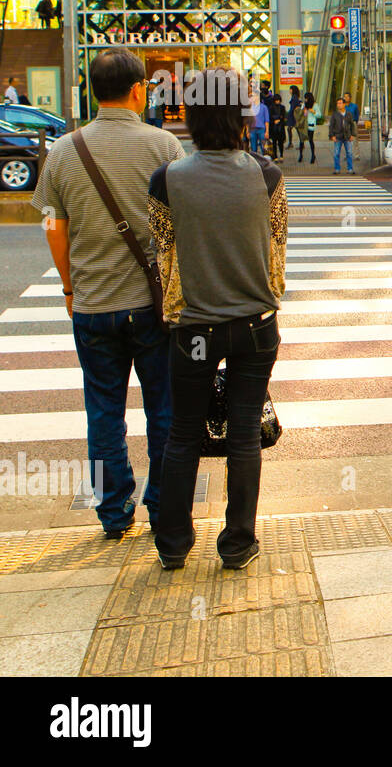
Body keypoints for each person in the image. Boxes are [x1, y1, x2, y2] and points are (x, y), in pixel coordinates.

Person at [31, 47, 185, 538]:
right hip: (153, 307)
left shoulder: (62, 150)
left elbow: (54, 227)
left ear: (92, 91)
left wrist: (70, 288)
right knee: (163, 411)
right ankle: (163, 509)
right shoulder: (164, 147)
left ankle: (114, 514)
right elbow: (181, 224)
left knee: (102, 413)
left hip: (94, 306)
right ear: (139, 89)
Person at [148, 68, 286, 570]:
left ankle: (173, 545)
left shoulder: (167, 179)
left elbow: (164, 252)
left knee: (182, 432)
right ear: (240, 116)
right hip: (255, 324)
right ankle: (236, 545)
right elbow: (278, 250)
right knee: (245, 431)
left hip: (194, 328)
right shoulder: (266, 174)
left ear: (192, 116)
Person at [329, 97, 355, 174]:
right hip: (338, 136)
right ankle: (337, 169)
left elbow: (352, 125)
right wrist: (332, 135)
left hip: (347, 136)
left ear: (344, 104)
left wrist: (352, 135)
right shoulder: (335, 114)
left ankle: (350, 168)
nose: (338, 105)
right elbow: (331, 126)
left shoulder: (348, 114)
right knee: (336, 153)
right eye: (337, 103)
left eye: (340, 103)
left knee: (349, 153)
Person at [297, 93, 317, 163]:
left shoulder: (315, 105)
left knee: (310, 140)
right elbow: (300, 114)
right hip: (304, 125)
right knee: (301, 140)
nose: (305, 100)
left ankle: (313, 155)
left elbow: (319, 115)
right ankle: (300, 155)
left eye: (306, 98)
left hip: (311, 125)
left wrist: (313, 111)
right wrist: (303, 110)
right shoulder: (304, 105)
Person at [267, 92, 287, 162]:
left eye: (278, 100)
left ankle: (281, 155)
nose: (277, 101)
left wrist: (280, 120)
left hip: (280, 127)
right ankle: (275, 156)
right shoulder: (271, 108)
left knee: (281, 143)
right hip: (273, 128)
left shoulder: (282, 107)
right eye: (276, 100)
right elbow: (269, 118)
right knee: (274, 143)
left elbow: (284, 117)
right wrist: (274, 121)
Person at [287, 85, 301, 150]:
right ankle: (300, 143)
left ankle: (291, 143)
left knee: (291, 129)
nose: (289, 91)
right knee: (295, 129)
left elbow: (293, 108)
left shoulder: (294, 98)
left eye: (290, 89)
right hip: (294, 115)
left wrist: (288, 114)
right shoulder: (295, 97)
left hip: (293, 116)